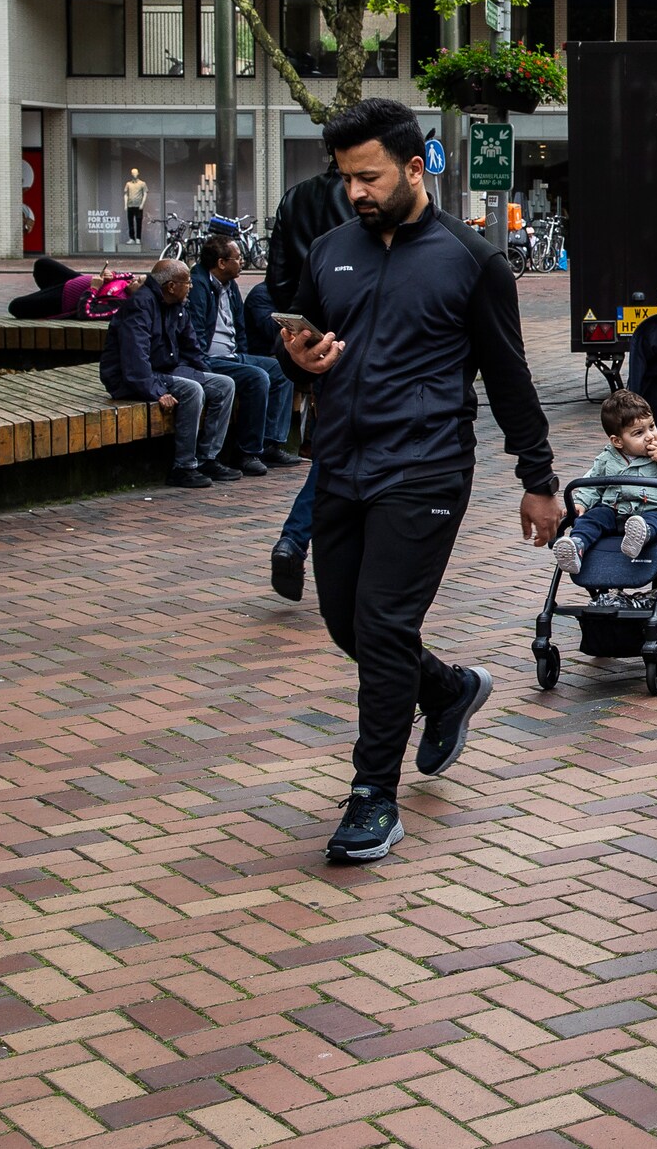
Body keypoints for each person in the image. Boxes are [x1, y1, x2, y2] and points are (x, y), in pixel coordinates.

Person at [277, 98, 559, 864]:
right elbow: (301, 343)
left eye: (369, 176)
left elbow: (509, 376)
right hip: (339, 464)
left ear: (412, 167)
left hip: (426, 468)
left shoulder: (472, 259)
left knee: (382, 623)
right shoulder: (330, 249)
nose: (356, 191)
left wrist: (538, 477)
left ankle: (373, 794)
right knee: (346, 623)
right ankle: (445, 689)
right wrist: (296, 358)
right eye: (346, 178)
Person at [266, 153, 353, 601]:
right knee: (336, 455)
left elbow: (277, 277)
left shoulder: (295, 197)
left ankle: (296, 541)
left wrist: (297, 330)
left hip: (308, 335)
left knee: (330, 449)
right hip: (352, 338)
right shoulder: (364, 199)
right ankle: (299, 539)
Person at [99, 259, 237, 490]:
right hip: (130, 378)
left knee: (224, 385)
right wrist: (156, 391)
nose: (191, 286)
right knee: (192, 390)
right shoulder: (140, 305)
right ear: (171, 286)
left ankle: (207, 459)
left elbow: (192, 348)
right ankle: (183, 467)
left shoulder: (177, 305)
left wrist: (205, 373)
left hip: (165, 370)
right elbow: (135, 358)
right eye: (187, 282)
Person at [185, 234, 297, 476]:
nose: (242, 262)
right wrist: (202, 362)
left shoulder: (230, 286)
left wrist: (242, 354)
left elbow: (239, 326)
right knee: (257, 378)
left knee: (282, 369)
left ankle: (270, 444)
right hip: (209, 360)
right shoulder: (199, 286)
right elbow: (195, 331)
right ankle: (246, 452)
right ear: (221, 263)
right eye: (237, 258)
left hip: (233, 355)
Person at [550, 388, 657, 573]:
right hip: (614, 510)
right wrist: (581, 503)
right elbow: (592, 484)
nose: (650, 436)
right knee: (592, 518)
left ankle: (641, 536)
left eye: (651, 426)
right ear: (617, 441)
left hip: (654, 510)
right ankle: (577, 545)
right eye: (639, 433)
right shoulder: (607, 459)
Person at [123, 168, 148, 244]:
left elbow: (145, 194)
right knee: (130, 223)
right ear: (131, 174)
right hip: (130, 206)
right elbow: (126, 194)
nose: (134, 174)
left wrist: (142, 204)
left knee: (139, 222)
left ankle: (138, 238)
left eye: (135, 173)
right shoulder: (128, 184)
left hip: (138, 206)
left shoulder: (142, 183)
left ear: (138, 173)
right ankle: (132, 238)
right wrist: (125, 205)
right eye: (133, 173)